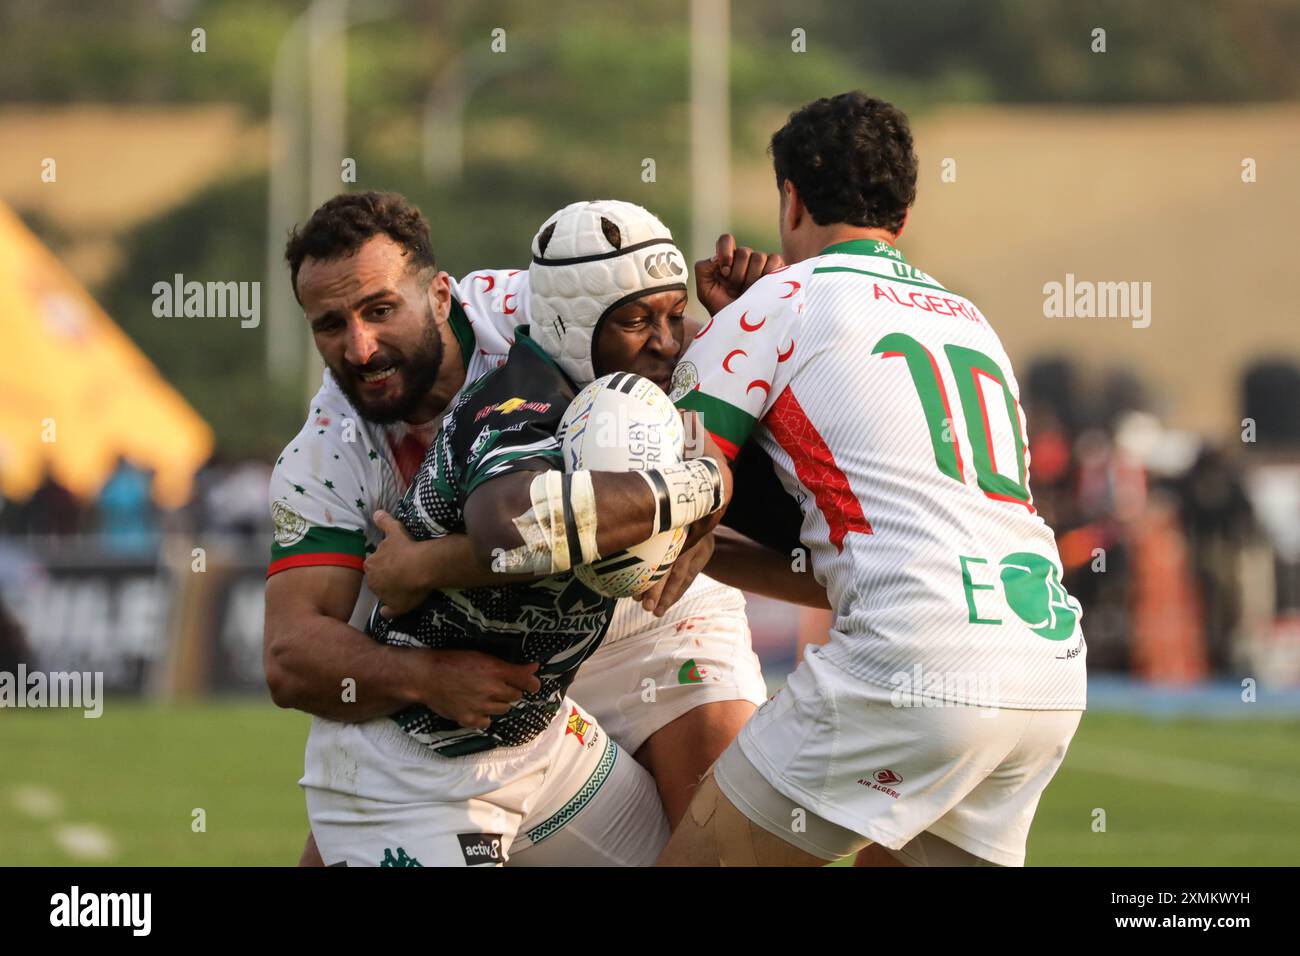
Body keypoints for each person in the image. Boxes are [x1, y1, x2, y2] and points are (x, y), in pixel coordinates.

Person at [659, 92, 1087, 867]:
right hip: (1047, 670)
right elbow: (878, 550)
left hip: (909, 668)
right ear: (905, 211)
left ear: (789, 198)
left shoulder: (781, 300)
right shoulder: (970, 319)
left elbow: (670, 488)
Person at [266, 196, 758, 864]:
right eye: (330, 325)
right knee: (356, 820)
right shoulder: (325, 451)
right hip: (499, 679)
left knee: (727, 852)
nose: (359, 346)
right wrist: (425, 676)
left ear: (441, 296)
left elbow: (671, 343)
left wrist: (751, 320)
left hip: (650, 617)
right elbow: (290, 656)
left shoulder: (540, 299)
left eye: (381, 310)